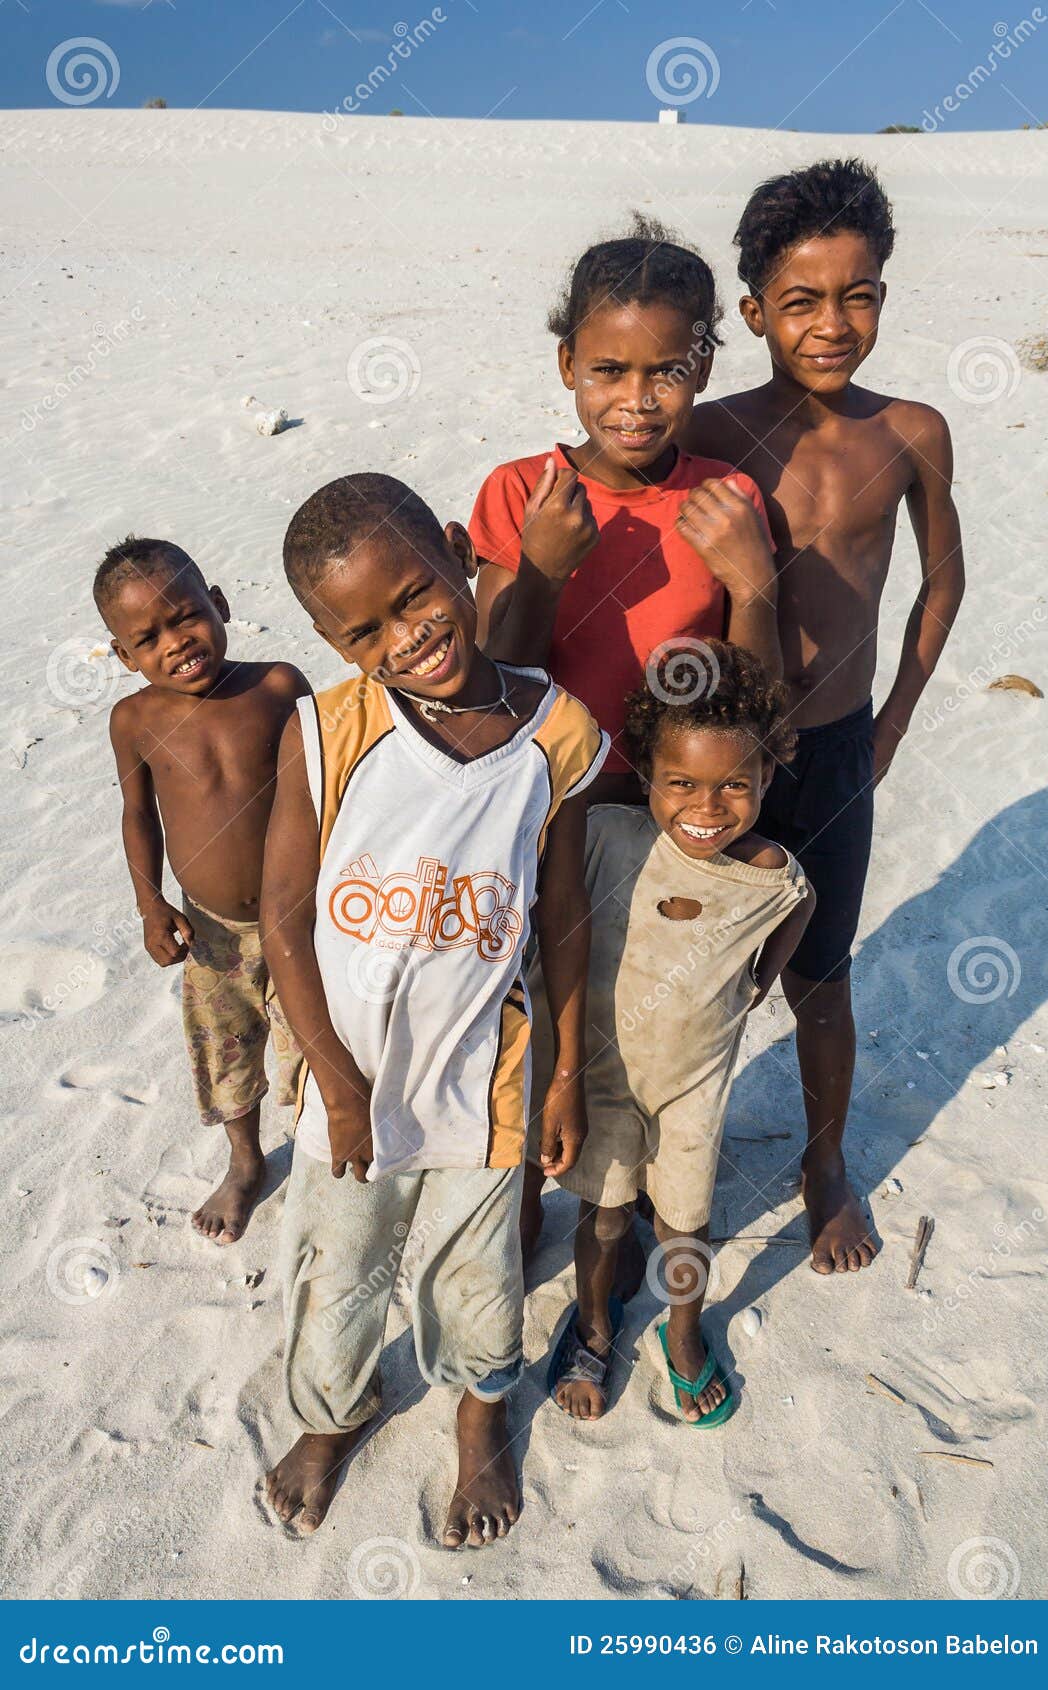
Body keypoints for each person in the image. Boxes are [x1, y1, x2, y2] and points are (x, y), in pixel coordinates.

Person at [260, 473, 607, 1541]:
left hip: (481, 1084)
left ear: (459, 555)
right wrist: (336, 1080)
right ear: (330, 639)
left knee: (479, 1278)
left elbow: (559, 914)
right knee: (339, 1273)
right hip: (346, 1079)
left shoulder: (556, 734)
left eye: (415, 597)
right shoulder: (326, 730)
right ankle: (332, 1417)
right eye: (363, 630)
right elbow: (282, 922)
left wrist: (557, 1075)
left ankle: (478, 1420)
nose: (406, 637)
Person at [468, 215, 782, 1261]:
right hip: (540, 812)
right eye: (607, 368)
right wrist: (540, 566)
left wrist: (748, 578)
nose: (634, 399)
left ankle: (631, 1190)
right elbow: (492, 675)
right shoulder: (523, 494)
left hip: (656, 820)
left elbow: (750, 694)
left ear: (701, 370)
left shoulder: (723, 498)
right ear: (566, 364)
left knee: (632, 1010)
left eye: (666, 373)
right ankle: (514, 1193)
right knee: (533, 1012)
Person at [684, 157, 966, 1275]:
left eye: (857, 293)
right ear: (752, 309)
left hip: (841, 747)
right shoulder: (702, 433)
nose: (831, 321)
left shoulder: (909, 432)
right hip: (712, 756)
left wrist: (890, 721)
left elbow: (943, 577)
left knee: (822, 973)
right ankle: (676, 1168)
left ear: (883, 295)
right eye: (800, 299)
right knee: (698, 968)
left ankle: (823, 1159)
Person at [537, 642, 813, 1425]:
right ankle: (592, 1326)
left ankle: (683, 1334)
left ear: (765, 777)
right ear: (647, 775)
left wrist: (757, 986)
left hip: (693, 1089)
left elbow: (801, 906)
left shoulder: (769, 873)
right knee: (603, 1216)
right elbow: (553, 921)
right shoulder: (607, 836)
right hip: (601, 1074)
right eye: (681, 784)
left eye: (734, 784)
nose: (706, 807)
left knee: (684, 1222)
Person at [96, 538, 308, 1245]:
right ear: (125, 656)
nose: (174, 643)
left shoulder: (277, 686)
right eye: (146, 638)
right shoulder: (134, 721)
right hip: (211, 932)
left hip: (302, 915)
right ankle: (246, 1162)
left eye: (185, 617)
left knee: (314, 1041)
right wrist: (149, 903)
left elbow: (322, 790)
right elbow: (137, 816)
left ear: (218, 605)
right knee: (228, 1050)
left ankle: (322, 1161)